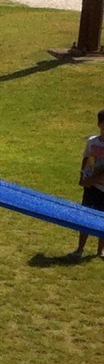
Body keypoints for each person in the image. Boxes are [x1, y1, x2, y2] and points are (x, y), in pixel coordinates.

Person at [79, 108, 104, 257]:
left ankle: (100, 250)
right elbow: (86, 158)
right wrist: (82, 177)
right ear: (99, 124)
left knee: (102, 218)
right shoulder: (92, 141)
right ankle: (80, 248)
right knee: (85, 216)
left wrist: (93, 179)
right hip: (91, 187)